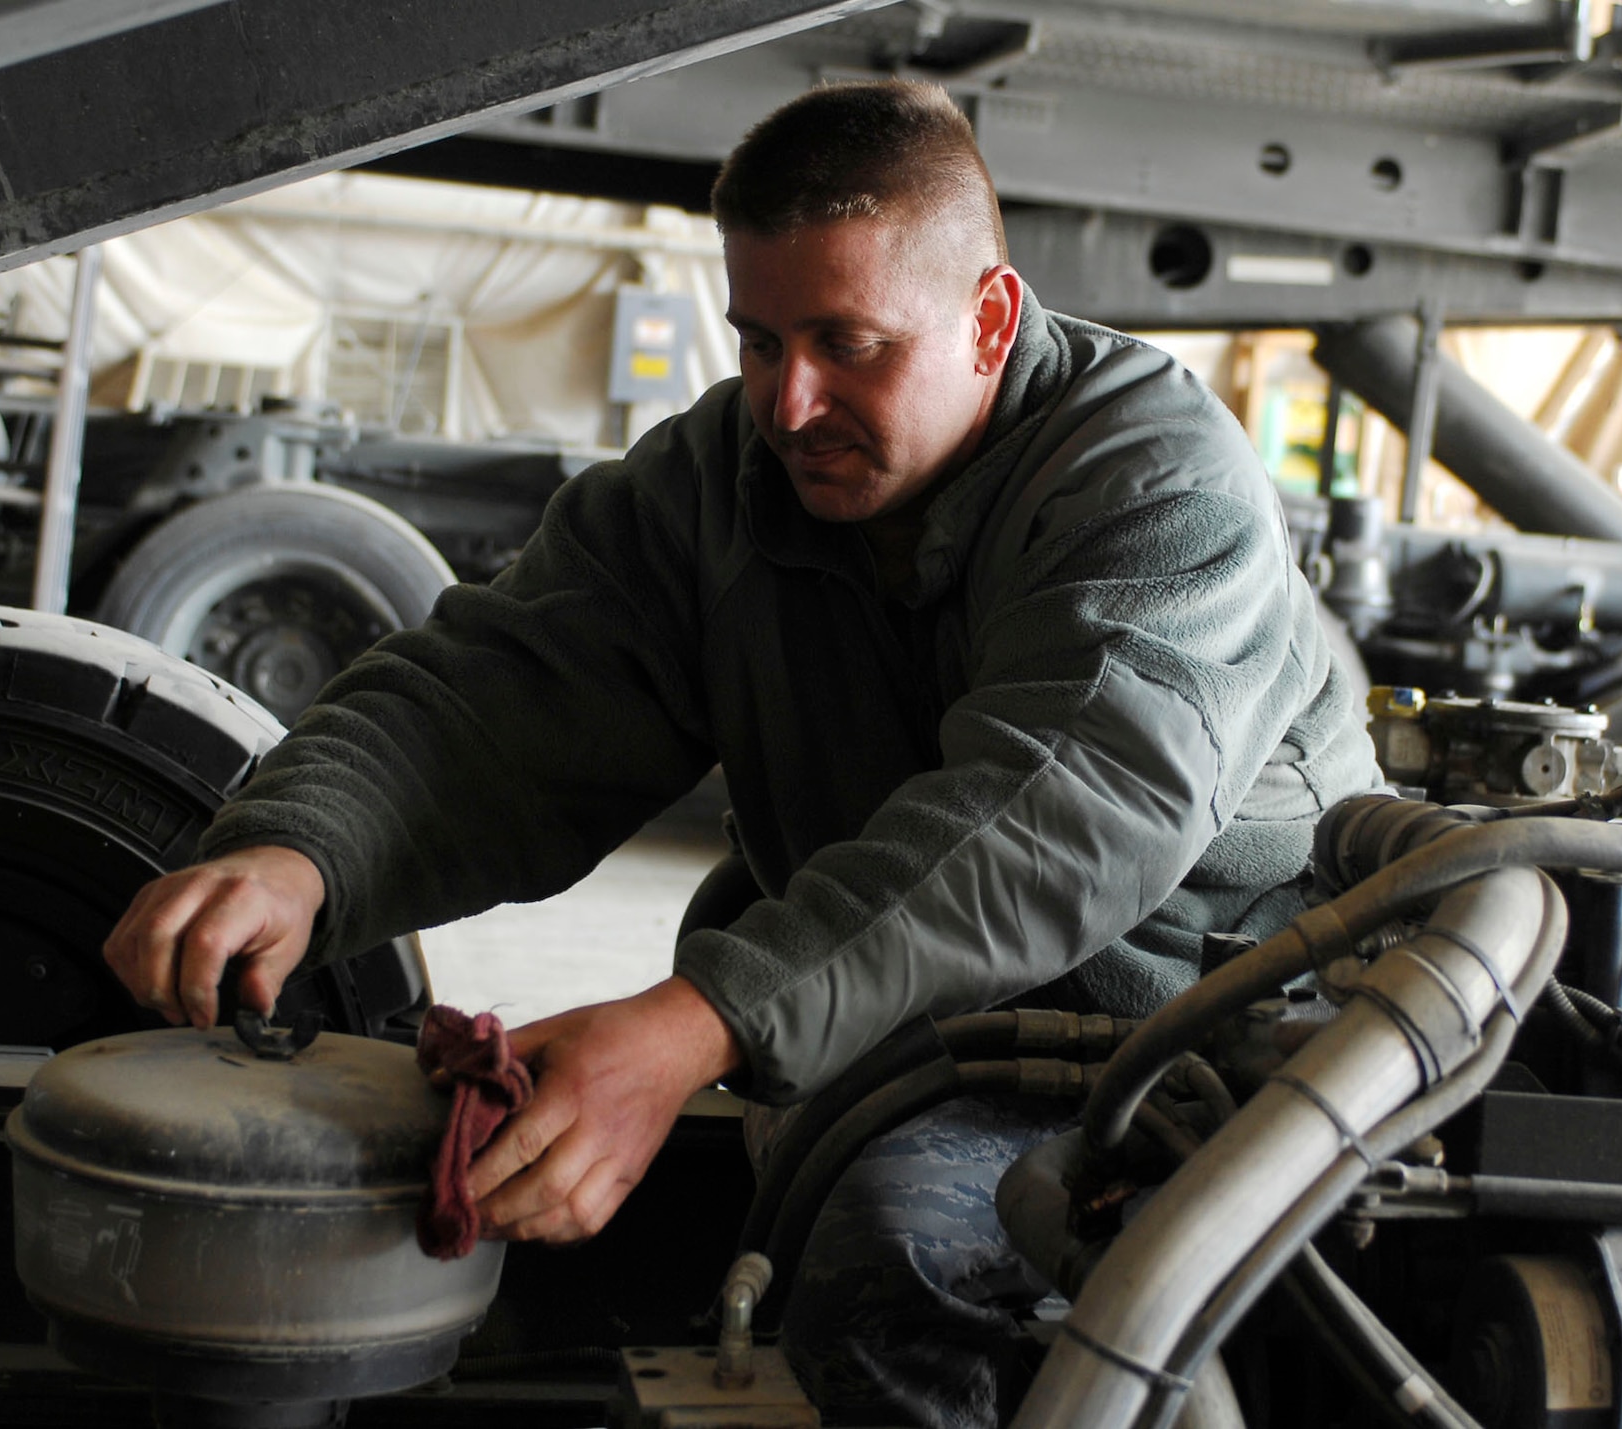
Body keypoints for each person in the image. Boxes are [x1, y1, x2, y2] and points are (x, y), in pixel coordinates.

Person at [103, 79, 1378, 1426]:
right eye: (760, 343)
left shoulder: (1161, 482)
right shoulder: (725, 483)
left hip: (1183, 1047)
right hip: (911, 1033)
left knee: (902, 1265)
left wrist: (696, 1024)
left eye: (850, 343)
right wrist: (300, 846)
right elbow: (501, 692)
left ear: (992, 320)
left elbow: (1059, 809)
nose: (791, 400)